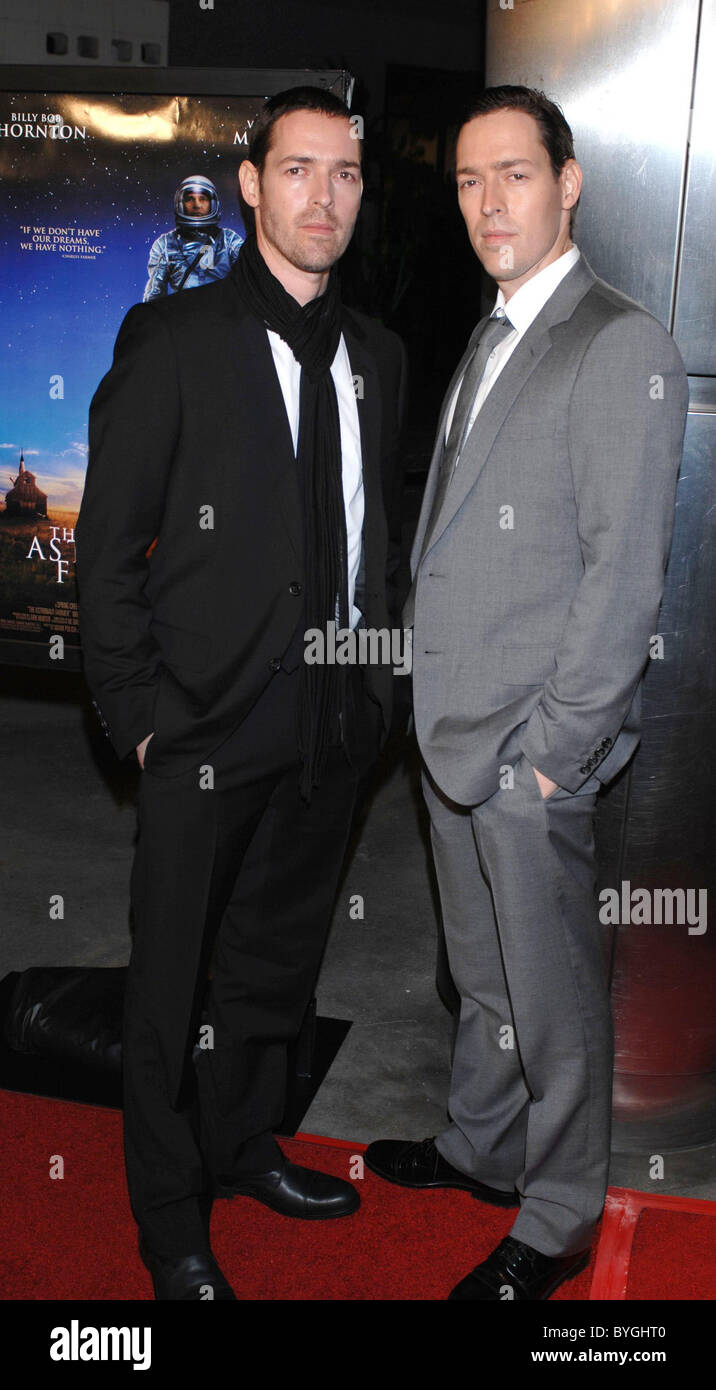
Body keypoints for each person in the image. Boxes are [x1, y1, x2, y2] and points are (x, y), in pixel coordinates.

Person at [76, 86, 406, 1300]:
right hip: (200, 727)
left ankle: (244, 1144)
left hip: (334, 722)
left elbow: (377, 542)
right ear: (252, 184)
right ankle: (169, 1217)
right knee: (170, 985)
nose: (323, 195)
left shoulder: (378, 357)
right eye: (299, 170)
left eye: (347, 175)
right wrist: (142, 717)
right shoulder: (171, 341)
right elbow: (106, 558)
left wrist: (379, 693)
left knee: (273, 966)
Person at [365, 85, 688, 1301]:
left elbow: (621, 578)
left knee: (550, 997)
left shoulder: (619, 344)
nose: (486, 202)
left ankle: (552, 1218)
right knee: (483, 970)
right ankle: (480, 1147)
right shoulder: (494, 327)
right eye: (464, 181)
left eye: (512, 173)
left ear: (568, 183)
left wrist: (551, 751)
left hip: (528, 748)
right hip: (448, 730)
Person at [142, 174, 244, 300]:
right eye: (190, 199)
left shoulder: (229, 241)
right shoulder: (165, 245)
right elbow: (154, 296)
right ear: (180, 204)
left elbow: (247, 281)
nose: (197, 205)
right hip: (182, 317)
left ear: (212, 204)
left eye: (202, 199)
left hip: (222, 316)